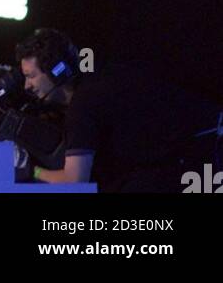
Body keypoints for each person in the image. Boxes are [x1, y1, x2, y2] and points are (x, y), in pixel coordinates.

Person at [17, 26, 222, 192]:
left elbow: (74, 180)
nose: (27, 86)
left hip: (201, 149)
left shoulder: (84, 105)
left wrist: (30, 171)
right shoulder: (95, 81)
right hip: (200, 141)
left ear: (57, 72)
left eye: (31, 76)